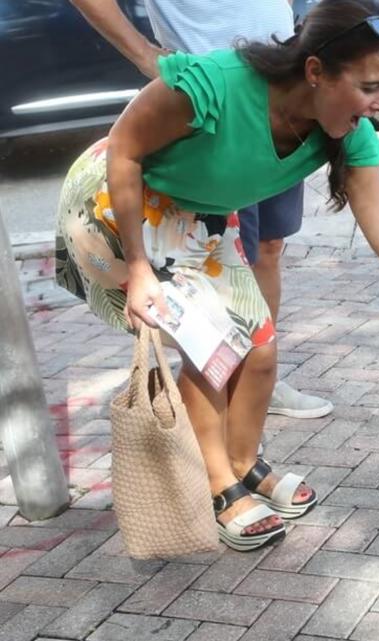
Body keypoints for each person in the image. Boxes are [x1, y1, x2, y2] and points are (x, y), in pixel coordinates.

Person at [55, 0, 379, 551]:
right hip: (115, 209)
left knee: (259, 349)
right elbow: (123, 150)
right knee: (214, 352)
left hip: (198, 216)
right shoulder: (212, 84)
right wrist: (139, 269)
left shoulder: (348, 132)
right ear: (315, 71)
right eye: (370, 86)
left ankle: (241, 462)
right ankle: (218, 487)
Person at [71, 0, 337, 419]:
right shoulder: (206, 87)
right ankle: (219, 388)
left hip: (286, 90)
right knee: (217, 268)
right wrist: (142, 52)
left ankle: (252, 379)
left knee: (268, 249)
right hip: (213, 102)